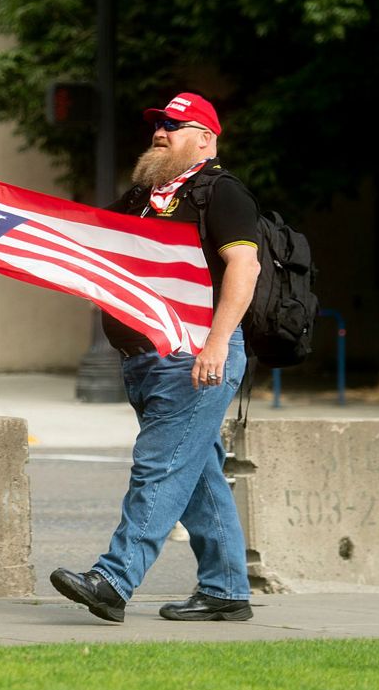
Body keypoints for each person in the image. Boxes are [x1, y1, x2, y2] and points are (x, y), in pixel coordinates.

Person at [51, 92, 261, 622]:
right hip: (144, 359)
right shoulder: (143, 197)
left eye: (174, 124)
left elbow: (245, 268)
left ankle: (113, 580)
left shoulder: (222, 192)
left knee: (160, 469)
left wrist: (217, 342)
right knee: (198, 475)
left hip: (195, 356)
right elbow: (88, 234)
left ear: (205, 138)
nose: (160, 132)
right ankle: (226, 590)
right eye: (158, 124)